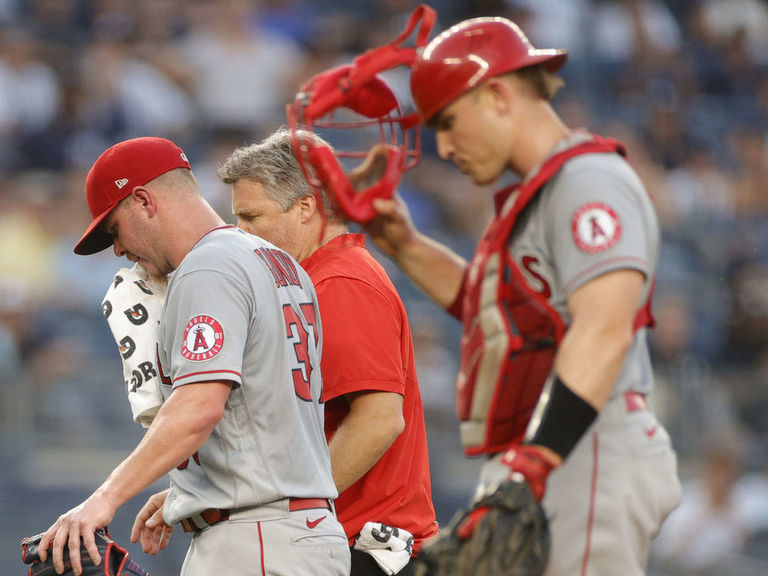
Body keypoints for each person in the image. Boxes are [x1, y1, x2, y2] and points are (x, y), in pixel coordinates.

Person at [358, 16, 682, 575]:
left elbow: (604, 328)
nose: (443, 145)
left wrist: (536, 462)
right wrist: (405, 245)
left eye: (450, 121)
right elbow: (496, 315)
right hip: (548, 451)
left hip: (584, 448)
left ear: (498, 95)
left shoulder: (588, 181)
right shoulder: (538, 193)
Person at [37, 136, 350, 576]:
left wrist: (102, 499)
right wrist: (193, 489)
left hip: (256, 539)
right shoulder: (279, 261)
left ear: (144, 200)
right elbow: (264, 412)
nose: (119, 250)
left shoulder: (208, 266)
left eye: (114, 230)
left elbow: (200, 405)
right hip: (298, 530)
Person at [216, 127, 439, 576]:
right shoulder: (309, 282)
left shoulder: (338, 284)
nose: (239, 233)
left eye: (251, 217)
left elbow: (378, 419)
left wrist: (291, 509)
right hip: (341, 542)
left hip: (364, 547)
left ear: (304, 208)